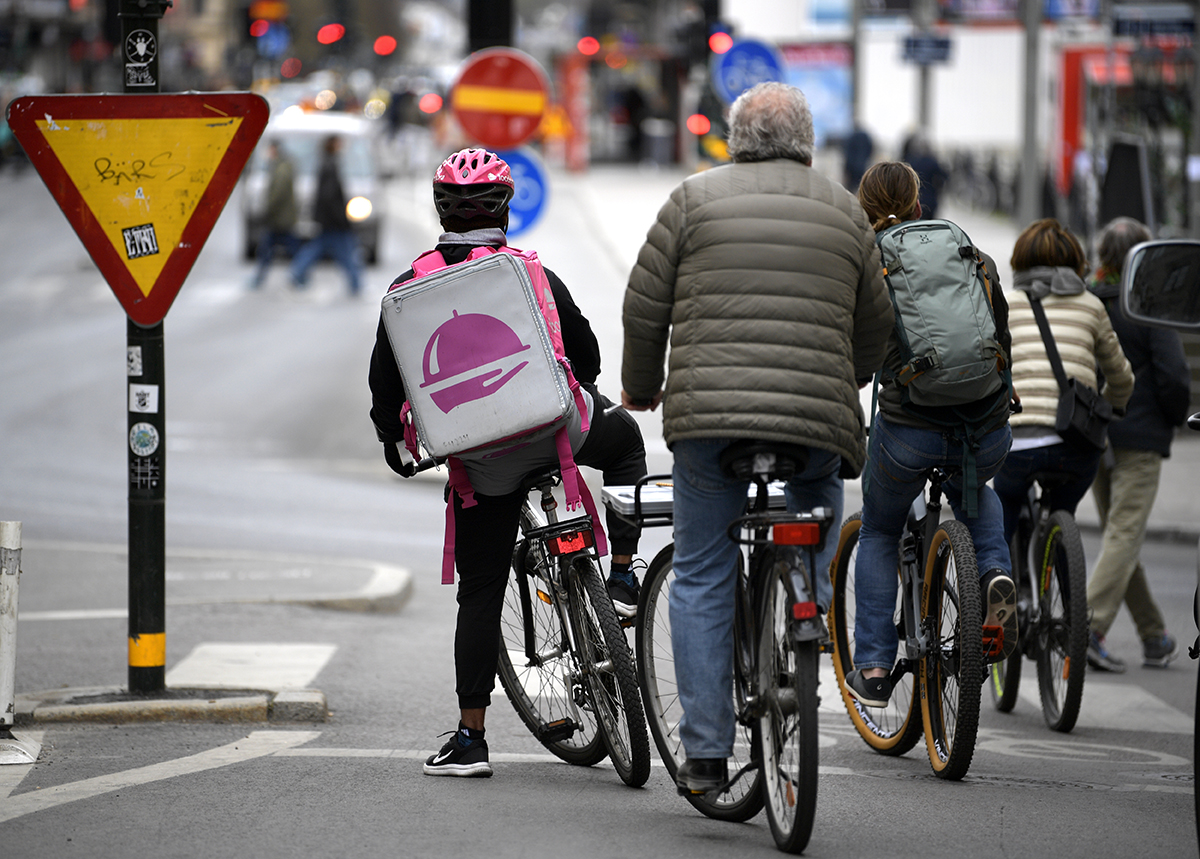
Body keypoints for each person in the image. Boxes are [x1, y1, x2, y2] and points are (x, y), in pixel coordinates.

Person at [620, 82, 894, 794]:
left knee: (705, 569)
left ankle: (707, 755)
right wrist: (845, 380)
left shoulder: (690, 199)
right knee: (814, 498)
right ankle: (808, 612)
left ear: (734, 138)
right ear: (807, 140)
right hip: (814, 420)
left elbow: (644, 305)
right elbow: (877, 324)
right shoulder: (846, 211)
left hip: (710, 422)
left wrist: (642, 385)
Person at [368, 148, 648, 778]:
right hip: (556, 434)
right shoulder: (530, 274)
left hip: (482, 463)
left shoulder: (407, 290)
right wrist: (585, 389)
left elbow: (385, 381)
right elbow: (586, 349)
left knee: (481, 591)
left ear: (440, 207)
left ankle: (471, 739)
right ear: (506, 207)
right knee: (628, 443)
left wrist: (393, 441)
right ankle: (624, 574)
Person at [843, 161, 1017, 708]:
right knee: (976, 492)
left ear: (863, 207)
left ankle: (872, 665)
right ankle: (992, 575)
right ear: (919, 204)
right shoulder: (972, 256)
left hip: (909, 431)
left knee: (877, 529)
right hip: (984, 427)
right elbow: (1000, 335)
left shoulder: (870, 266)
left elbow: (861, 358)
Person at [991, 219, 1135, 605]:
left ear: (1021, 260)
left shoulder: (1003, 303)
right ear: (1076, 261)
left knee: (1002, 514)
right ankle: (1069, 612)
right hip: (1076, 441)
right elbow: (1121, 375)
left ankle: (1004, 594)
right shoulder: (1091, 306)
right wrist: (1113, 406)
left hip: (1014, 443)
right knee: (1063, 508)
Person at [1084, 217, 1190, 671]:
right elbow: (1172, 376)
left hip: (1095, 434)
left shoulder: (1088, 300)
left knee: (1119, 538)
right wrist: (1173, 420)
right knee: (1124, 536)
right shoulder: (1148, 306)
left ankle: (1153, 636)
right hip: (1140, 437)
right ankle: (1085, 628)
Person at [292, 135, 362, 296]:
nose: (341, 147)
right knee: (346, 251)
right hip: (333, 220)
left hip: (327, 219)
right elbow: (330, 197)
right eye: (338, 143)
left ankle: (297, 273)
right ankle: (356, 283)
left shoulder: (327, 163)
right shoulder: (330, 166)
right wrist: (342, 219)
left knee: (319, 248)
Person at [250, 141, 299, 289]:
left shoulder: (281, 169)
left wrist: (268, 209)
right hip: (280, 218)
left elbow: (278, 194)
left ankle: (300, 274)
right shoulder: (279, 167)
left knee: (284, 248)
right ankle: (299, 275)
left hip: (280, 219)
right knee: (267, 249)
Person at [842, 123, 874, 193]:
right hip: (862, 166)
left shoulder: (851, 137)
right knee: (861, 189)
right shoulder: (866, 137)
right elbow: (870, 150)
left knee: (850, 191)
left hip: (852, 168)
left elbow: (847, 153)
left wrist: (846, 168)